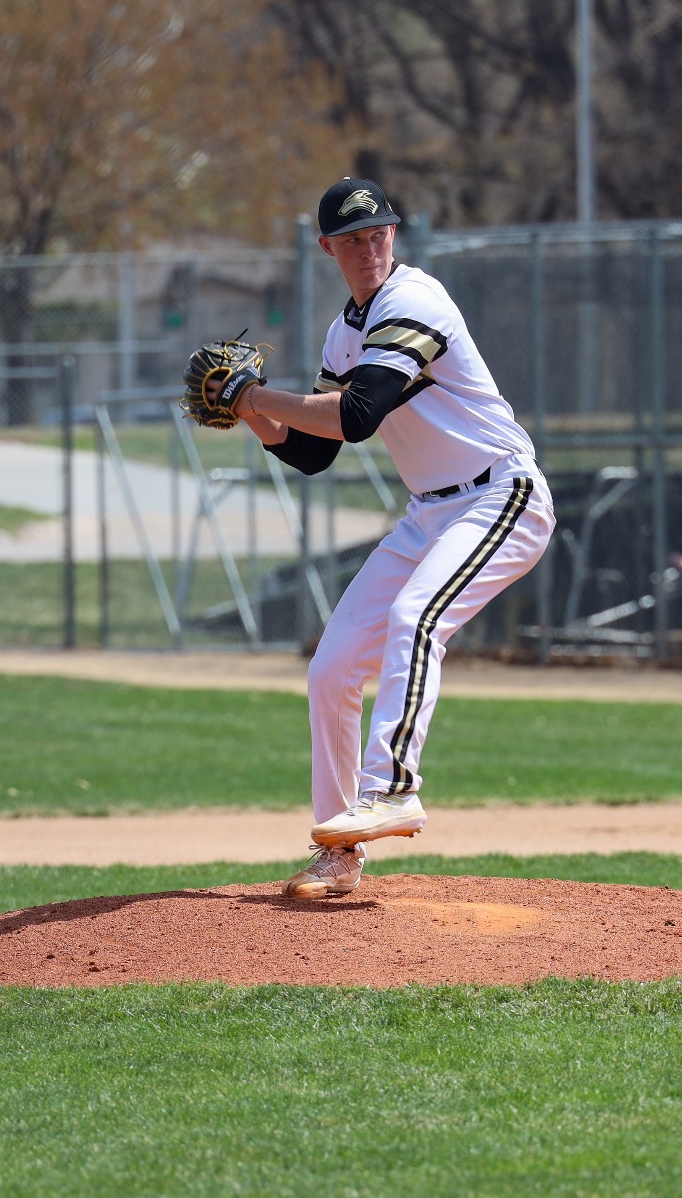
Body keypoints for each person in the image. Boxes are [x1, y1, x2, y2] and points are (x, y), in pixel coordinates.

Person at [216, 177, 554, 898]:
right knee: (333, 669)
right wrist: (251, 414)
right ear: (327, 248)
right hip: (431, 512)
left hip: (501, 493)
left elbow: (359, 414)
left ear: (393, 238)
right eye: (354, 240)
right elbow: (313, 451)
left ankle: (394, 786)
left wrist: (251, 395)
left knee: (416, 618)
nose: (370, 249)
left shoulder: (415, 300)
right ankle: (338, 852)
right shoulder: (346, 331)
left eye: (380, 235)